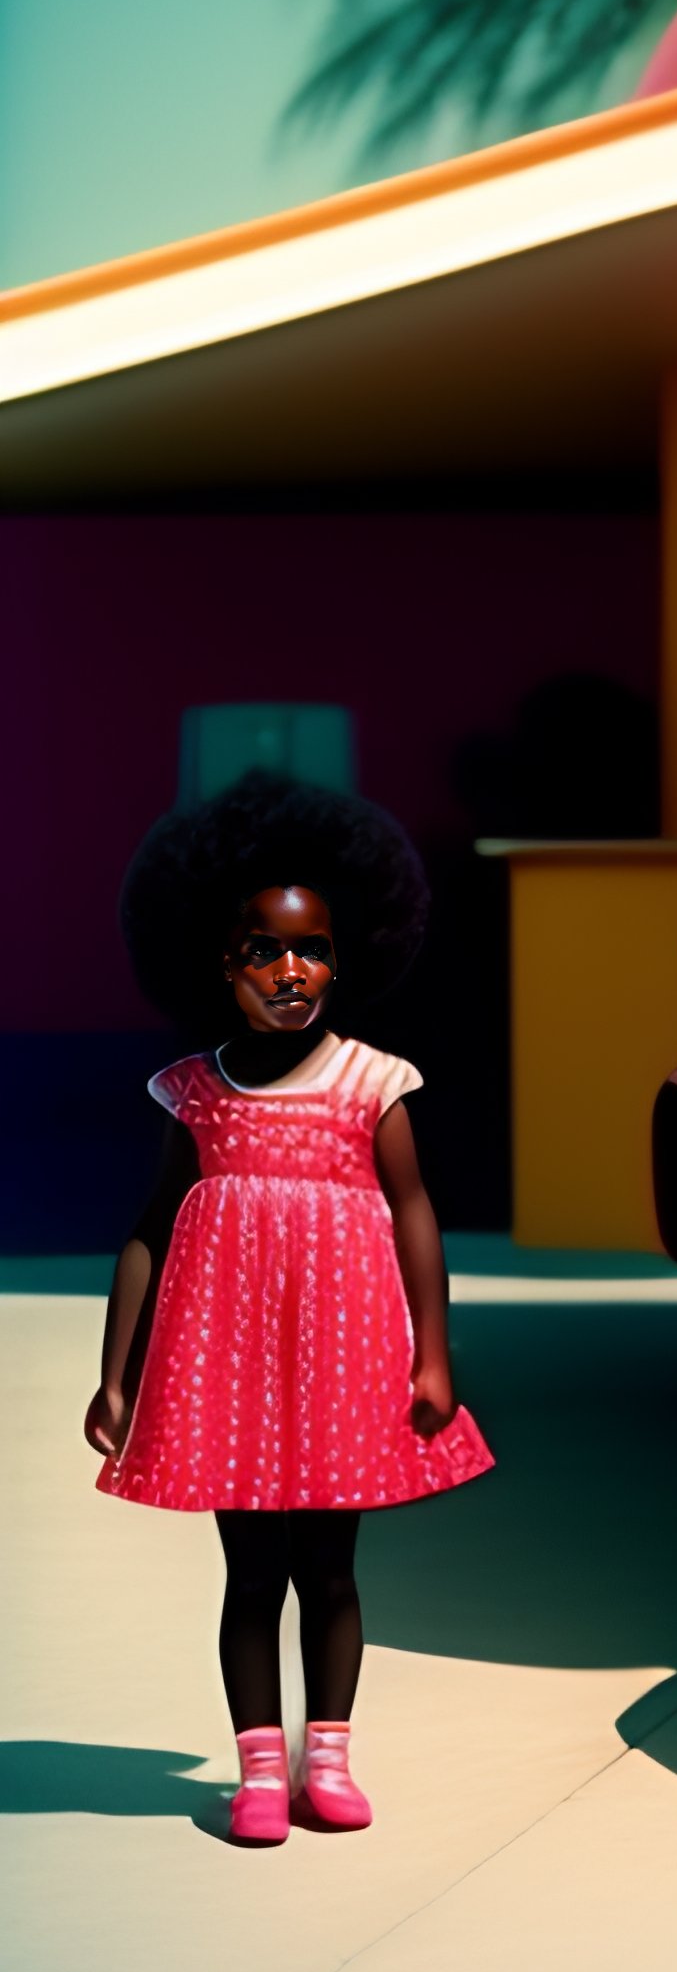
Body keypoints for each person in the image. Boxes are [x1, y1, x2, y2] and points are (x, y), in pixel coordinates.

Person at [84, 773, 493, 1844]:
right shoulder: (196, 1093)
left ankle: (330, 1759)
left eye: (311, 949)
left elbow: (414, 1212)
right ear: (218, 964)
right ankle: (259, 1771)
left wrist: (433, 1354)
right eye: (261, 950)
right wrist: (116, 1375)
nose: (289, 970)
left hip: (343, 1365)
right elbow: (149, 1230)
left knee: (332, 1572)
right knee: (252, 1575)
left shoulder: (371, 1083)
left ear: (344, 958)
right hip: (228, 1370)